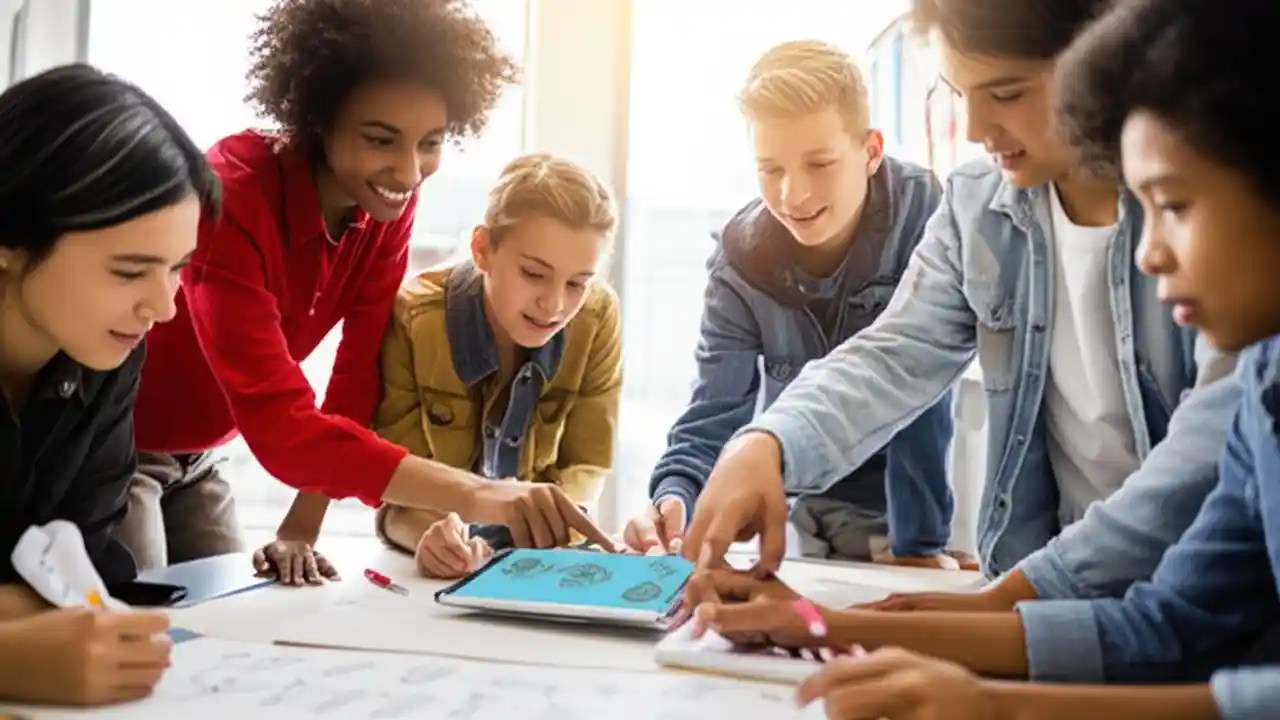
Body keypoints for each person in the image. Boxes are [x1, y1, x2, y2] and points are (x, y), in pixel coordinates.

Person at [694, 0, 1280, 716]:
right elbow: (895, 353)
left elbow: (1195, 466)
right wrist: (769, 441)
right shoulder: (978, 205)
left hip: (1141, 609)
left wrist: (996, 611)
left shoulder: (1218, 224)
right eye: (958, 94)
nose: (973, 129)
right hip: (1081, 612)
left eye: (1005, 93)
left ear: (1104, 59)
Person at [122, 0, 612, 582]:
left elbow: (355, 378)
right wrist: (479, 495)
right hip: (115, 445)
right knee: (130, 623)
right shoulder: (234, 197)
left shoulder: (386, 204)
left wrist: (301, 527)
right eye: (382, 140)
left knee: (230, 616)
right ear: (320, 119)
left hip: (199, 459)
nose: (408, 172)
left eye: (430, 142)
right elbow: (282, 425)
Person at [623, 40, 961, 568]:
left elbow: (918, 377)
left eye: (820, 164)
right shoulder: (739, 260)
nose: (792, 194)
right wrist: (674, 497)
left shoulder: (925, 212)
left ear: (871, 151)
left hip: (903, 515)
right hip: (790, 503)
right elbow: (714, 409)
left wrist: (918, 544)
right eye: (770, 169)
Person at [0, 63, 215, 704]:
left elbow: (76, 567)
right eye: (129, 271)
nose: (165, 307)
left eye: (177, 268)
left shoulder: (105, 358)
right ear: (9, 240)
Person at [368, 153, 621, 578]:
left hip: (540, 566)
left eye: (578, 282)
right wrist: (431, 536)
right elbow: (396, 487)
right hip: (431, 574)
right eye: (534, 274)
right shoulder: (415, 317)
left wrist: (556, 525)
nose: (555, 304)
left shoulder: (597, 318)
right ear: (482, 249)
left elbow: (587, 466)